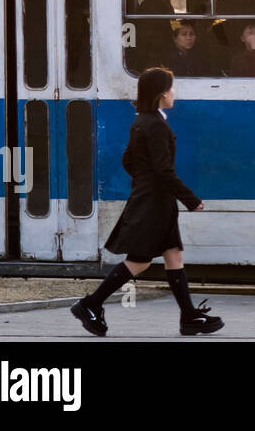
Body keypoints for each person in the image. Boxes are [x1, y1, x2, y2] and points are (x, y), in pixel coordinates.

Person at [71, 68, 223, 337]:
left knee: (173, 255)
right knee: (140, 260)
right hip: (154, 203)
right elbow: (164, 171)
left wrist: (144, 181)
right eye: (171, 88)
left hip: (155, 199)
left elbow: (129, 160)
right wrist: (191, 199)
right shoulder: (155, 125)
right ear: (161, 93)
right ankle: (90, 304)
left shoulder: (143, 120)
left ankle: (189, 317)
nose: (173, 93)